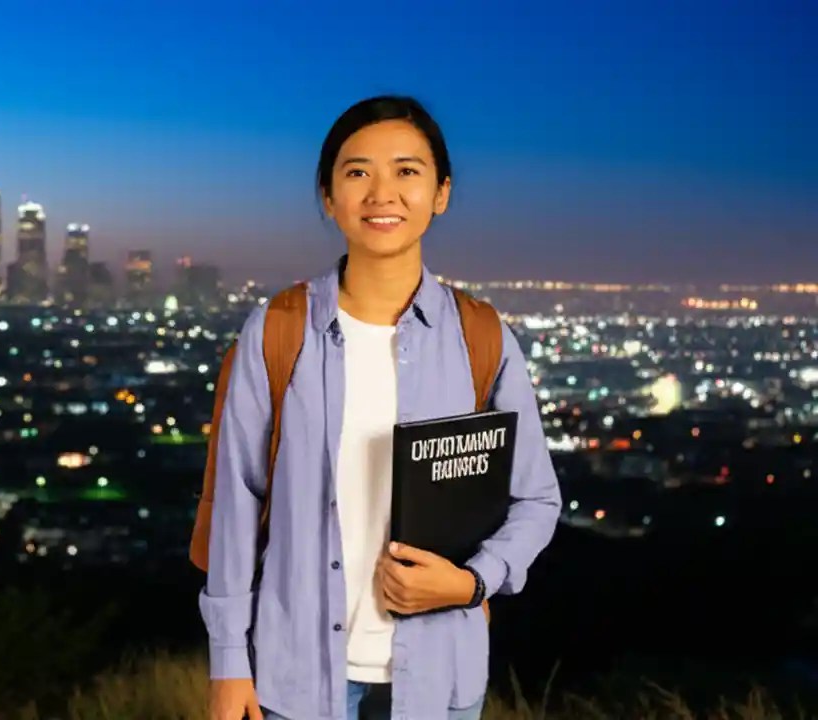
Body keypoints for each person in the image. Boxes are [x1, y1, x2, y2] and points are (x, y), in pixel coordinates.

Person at [199, 95, 562, 720]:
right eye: (358, 171)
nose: (382, 193)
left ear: (441, 193)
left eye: (408, 171)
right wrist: (229, 661)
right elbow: (236, 502)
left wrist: (473, 580)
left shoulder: (480, 336)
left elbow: (537, 499)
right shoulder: (279, 330)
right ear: (328, 194)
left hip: (439, 680)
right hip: (297, 683)